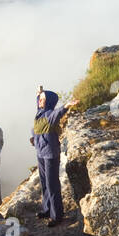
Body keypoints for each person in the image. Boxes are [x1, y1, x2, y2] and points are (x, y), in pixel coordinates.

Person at [30, 86, 78, 225]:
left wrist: (67, 105)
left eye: (43, 99)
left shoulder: (50, 115)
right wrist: (39, 94)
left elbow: (59, 112)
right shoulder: (40, 112)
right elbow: (38, 102)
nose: (40, 101)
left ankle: (57, 216)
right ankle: (47, 209)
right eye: (40, 99)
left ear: (49, 102)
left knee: (52, 185)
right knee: (45, 183)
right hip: (40, 152)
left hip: (50, 154)